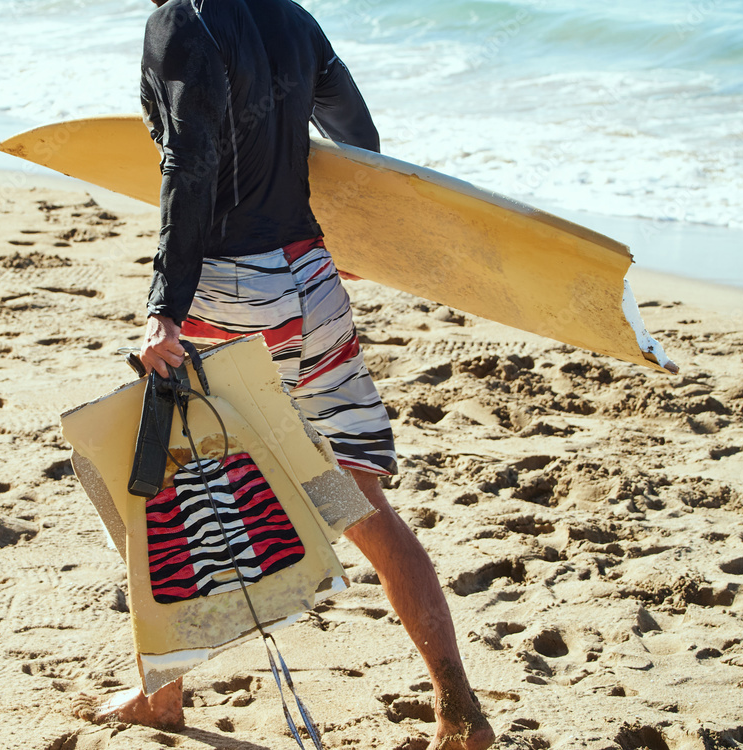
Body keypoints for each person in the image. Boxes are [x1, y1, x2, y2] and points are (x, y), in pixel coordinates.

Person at [75, 1, 495, 748]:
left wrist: (164, 311)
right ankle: (456, 707)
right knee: (358, 496)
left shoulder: (181, 22)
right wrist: (360, 237)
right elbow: (359, 141)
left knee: (158, 478)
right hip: (309, 275)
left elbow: (189, 161)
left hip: (232, 289)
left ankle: (160, 697)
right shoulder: (291, 19)